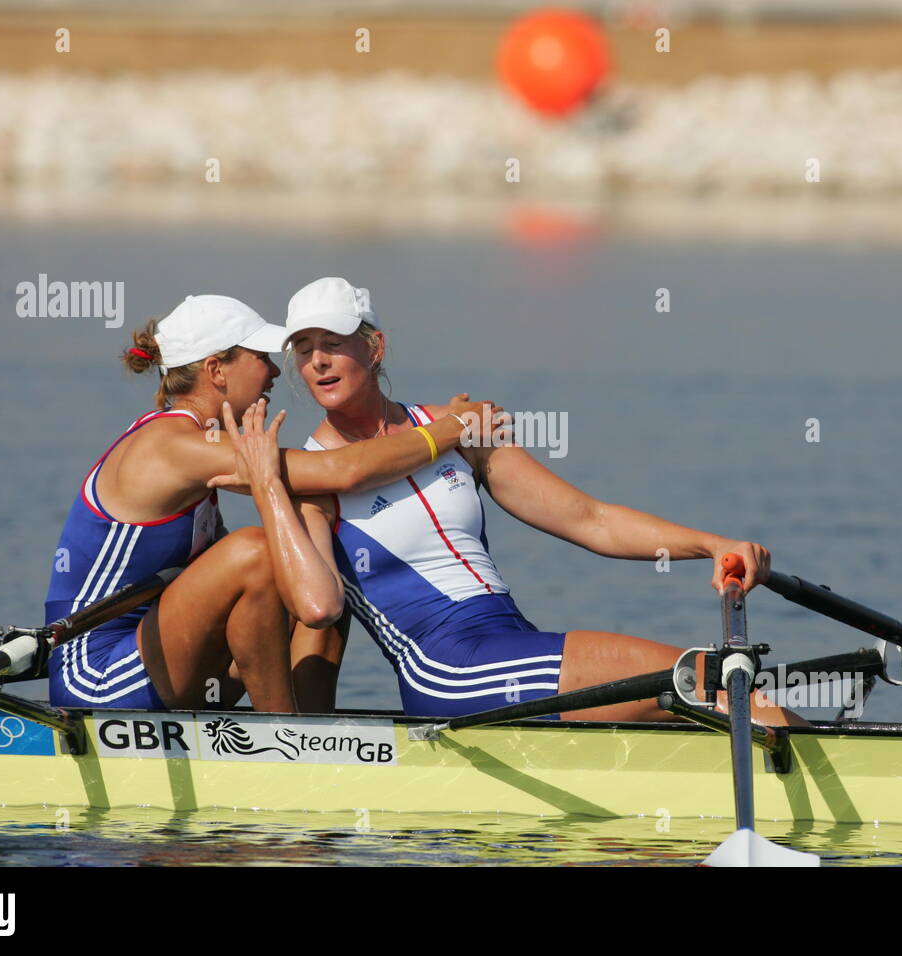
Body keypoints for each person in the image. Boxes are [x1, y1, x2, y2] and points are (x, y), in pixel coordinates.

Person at [281, 277, 803, 724]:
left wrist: (712, 545)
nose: (319, 362)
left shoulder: (461, 430)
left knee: (720, 698)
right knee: (708, 683)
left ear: (375, 347)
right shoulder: (315, 478)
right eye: (305, 350)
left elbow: (591, 520)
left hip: (510, 645)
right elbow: (318, 613)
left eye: (334, 342)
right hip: (449, 671)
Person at [44, 293, 500, 714]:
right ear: (216, 371)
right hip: (96, 679)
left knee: (315, 571)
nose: (278, 373)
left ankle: (310, 725)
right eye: (261, 358)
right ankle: (286, 737)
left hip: (160, 661)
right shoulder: (170, 445)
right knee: (256, 550)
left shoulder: (200, 441)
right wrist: (450, 428)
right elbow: (343, 471)